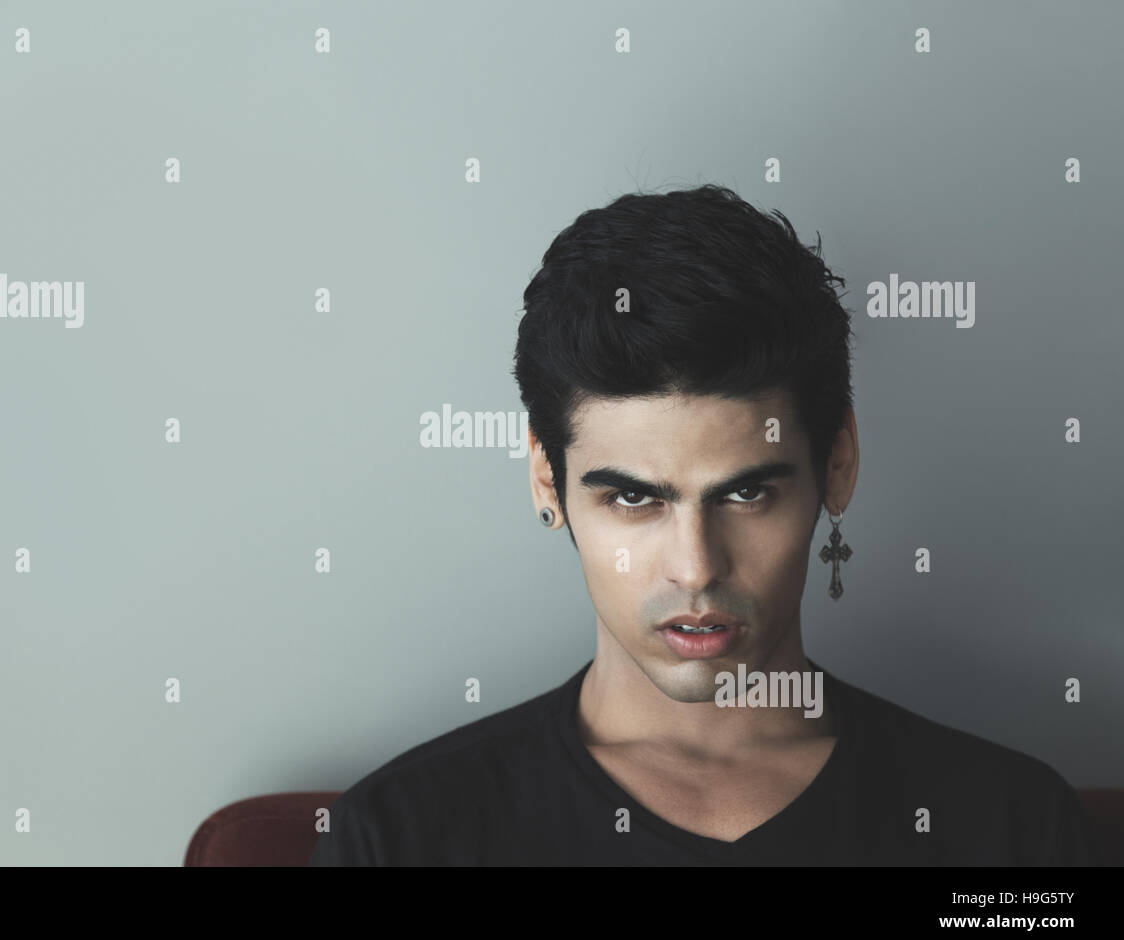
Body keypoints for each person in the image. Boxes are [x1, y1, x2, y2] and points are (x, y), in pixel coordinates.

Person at [308, 184, 1099, 865]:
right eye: (632, 498)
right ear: (547, 478)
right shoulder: (400, 840)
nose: (694, 568)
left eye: (746, 496)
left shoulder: (1012, 832)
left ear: (839, 465)